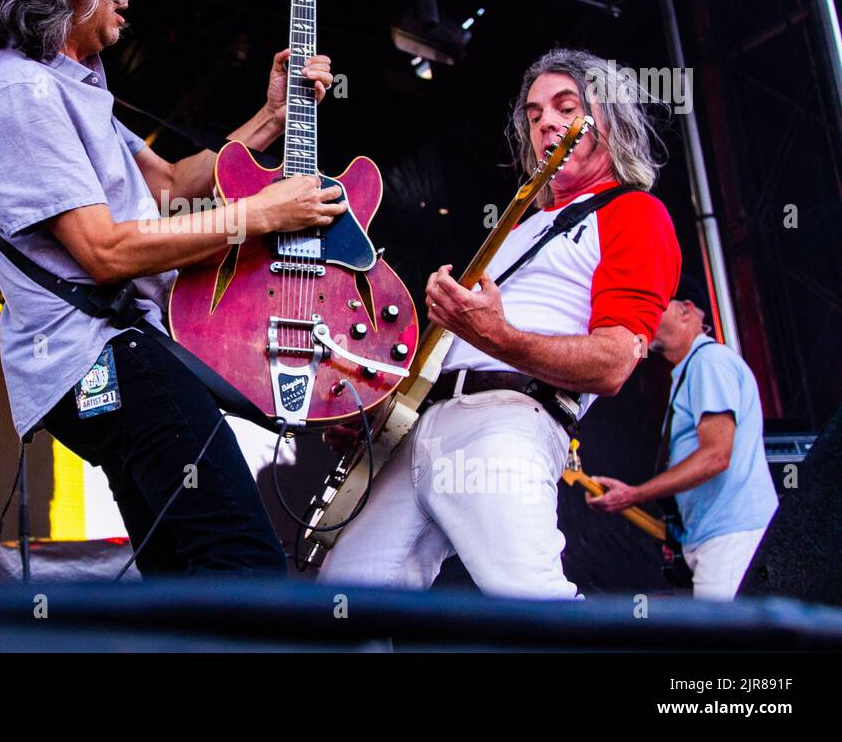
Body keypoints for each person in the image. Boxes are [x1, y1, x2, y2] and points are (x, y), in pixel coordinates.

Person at [0, 0, 343, 576]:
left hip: (120, 354)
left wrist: (271, 118)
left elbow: (166, 187)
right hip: (104, 354)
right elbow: (104, 251)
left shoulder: (67, 85)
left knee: (182, 571)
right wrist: (262, 215)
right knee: (243, 562)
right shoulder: (19, 93)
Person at [319, 48, 682, 598]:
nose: (547, 124)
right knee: (344, 599)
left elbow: (612, 364)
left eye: (566, 108)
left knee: (532, 605)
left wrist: (497, 335)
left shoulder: (636, 213)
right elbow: (461, 348)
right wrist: (376, 413)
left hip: (507, 420)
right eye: (534, 116)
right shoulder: (519, 228)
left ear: (610, 120)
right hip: (420, 428)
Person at [587, 276, 778, 599]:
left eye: (654, 306)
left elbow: (716, 456)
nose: (645, 316)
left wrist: (634, 494)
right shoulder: (693, 368)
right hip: (713, 538)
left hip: (730, 537)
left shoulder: (709, 362)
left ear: (686, 310)